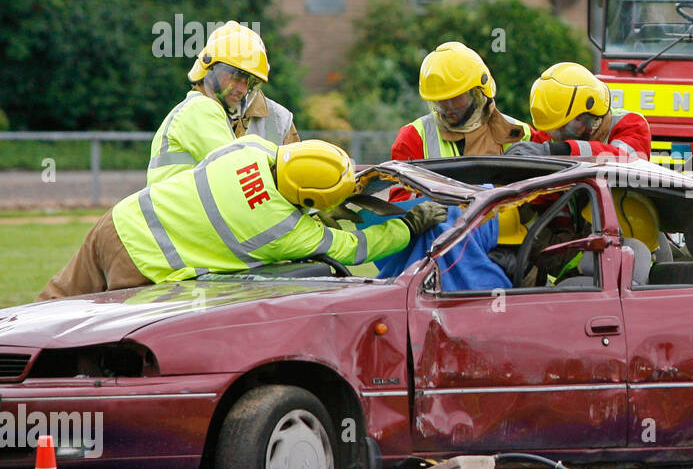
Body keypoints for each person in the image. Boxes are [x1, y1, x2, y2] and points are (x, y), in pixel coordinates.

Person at [40, 138, 445, 299]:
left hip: (119, 219)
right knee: (91, 359)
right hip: (143, 266)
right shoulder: (282, 228)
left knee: (51, 306)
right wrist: (408, 225)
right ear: (308, 200)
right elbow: (355, 248)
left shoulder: (249, 149)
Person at [148, 21, 299, 185]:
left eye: (249, 80)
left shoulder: (280, 119)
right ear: (211, 69)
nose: (242, 88)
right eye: (235, 75)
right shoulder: (199, 109)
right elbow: (235, 175)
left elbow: (300, 185)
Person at [390, 41, 535, 161]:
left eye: (455, 98)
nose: (447, 107)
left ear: (478, 92)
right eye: (440, 100)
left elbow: (546, 192)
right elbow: (402, 195)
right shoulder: (413, 137)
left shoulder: (523, 133)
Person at [505, 62, 652, 161]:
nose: (557, 138)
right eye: (552, 131)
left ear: (590, 115)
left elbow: (624, 161)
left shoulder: (631, 124)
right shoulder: (557, 131)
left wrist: (562, 151)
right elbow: (531, 137)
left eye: (563, 128)